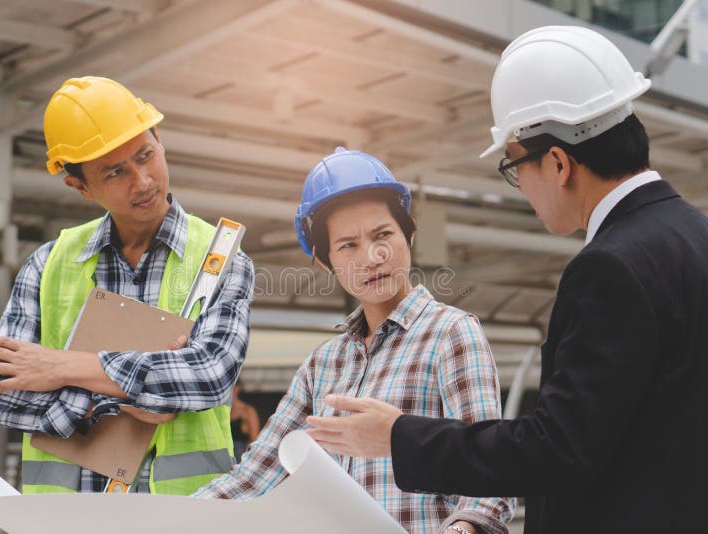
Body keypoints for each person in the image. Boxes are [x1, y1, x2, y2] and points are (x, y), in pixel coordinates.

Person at [306, 26, 708, 533]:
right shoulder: (706, 239)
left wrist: (398, 436)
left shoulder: (609, 267)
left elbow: (558, 449)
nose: (519, 185)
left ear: (559, 163)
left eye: (515, 165)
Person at [193, 148, 514, 534]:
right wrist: (156, 519)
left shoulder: (451, 334)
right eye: (348, 245)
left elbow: (489, 475)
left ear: (409, 232)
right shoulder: (323, 365)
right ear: (325, 261)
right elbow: (254, 478)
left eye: (383, 235)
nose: (372, 257)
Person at [0, 76, 255, 495]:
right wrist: (124, 397)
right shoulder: (47, 265)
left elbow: (210, 375)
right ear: (80, 186)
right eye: (116, 172)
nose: (142, 181)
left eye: (146, 155)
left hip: (183, 515)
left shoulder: (220, 257)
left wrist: (60, 368)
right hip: (70, 517)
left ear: (159, 140)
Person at [229, 378, 260, 461]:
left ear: (237, 388)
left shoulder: (248, 411)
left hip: (240, 458)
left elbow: (254, 440)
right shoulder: (218, 411)